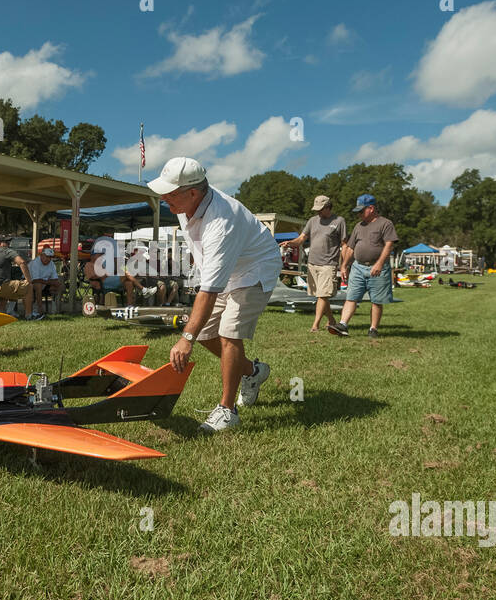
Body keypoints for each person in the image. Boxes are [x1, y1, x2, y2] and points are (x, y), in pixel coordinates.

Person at [151, 157, 280, 435]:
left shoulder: (221, 222)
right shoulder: (183, 206)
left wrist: (185, 339)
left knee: (229, 333)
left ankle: (227, 411)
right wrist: (193, 335)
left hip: (256, 268)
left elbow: (209, 290)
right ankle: (253, 372)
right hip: (230, 267)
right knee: (206, 333)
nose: (164, 198)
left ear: (192, 192)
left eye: (169, 193)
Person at [330, 194, 399, 338]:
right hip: (358, 267)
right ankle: (343, 325)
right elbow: (350, 248)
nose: (359, 214)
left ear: (371, 208)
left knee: (376, 300)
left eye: (361, 211)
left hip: (378, 268)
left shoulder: (385, 224)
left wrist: (379, 263)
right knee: (351, 296)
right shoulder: (358, 226)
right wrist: (344, 265)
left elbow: (389, 245)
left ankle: (373, 329)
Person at [280, 194, 346, 333]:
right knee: (320, 295)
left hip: (329, 263)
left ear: (328, 207)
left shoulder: (339, 221)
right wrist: (290, 243)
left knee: (323, 295)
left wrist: (344, 264)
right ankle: (331, 320)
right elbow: (301, 239)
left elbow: (344, 244)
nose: (318, 212)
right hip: (312, 263)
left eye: (320, 209)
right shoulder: (312, 221)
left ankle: (315, 325)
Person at [0, 236, 34, 317]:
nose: (9, 244)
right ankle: (29, 315)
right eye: (7, 242)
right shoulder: (5, 250)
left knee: (8, 285)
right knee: (28, 286)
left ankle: (2, 314)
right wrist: (28, 280)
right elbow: (22, 262)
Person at [27, 246, 63, 317]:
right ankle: (39, 309)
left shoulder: (51, 264)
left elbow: (55, 279)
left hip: (44, 283)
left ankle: (56, 307)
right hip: (29, 283)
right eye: (47, 256)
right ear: (41, 255)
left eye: (50, 257)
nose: (48, 259)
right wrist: (49, 282)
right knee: (38, 285)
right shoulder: (35, 263)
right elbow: (35, 280)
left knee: (59, 284)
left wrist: (52, 283)